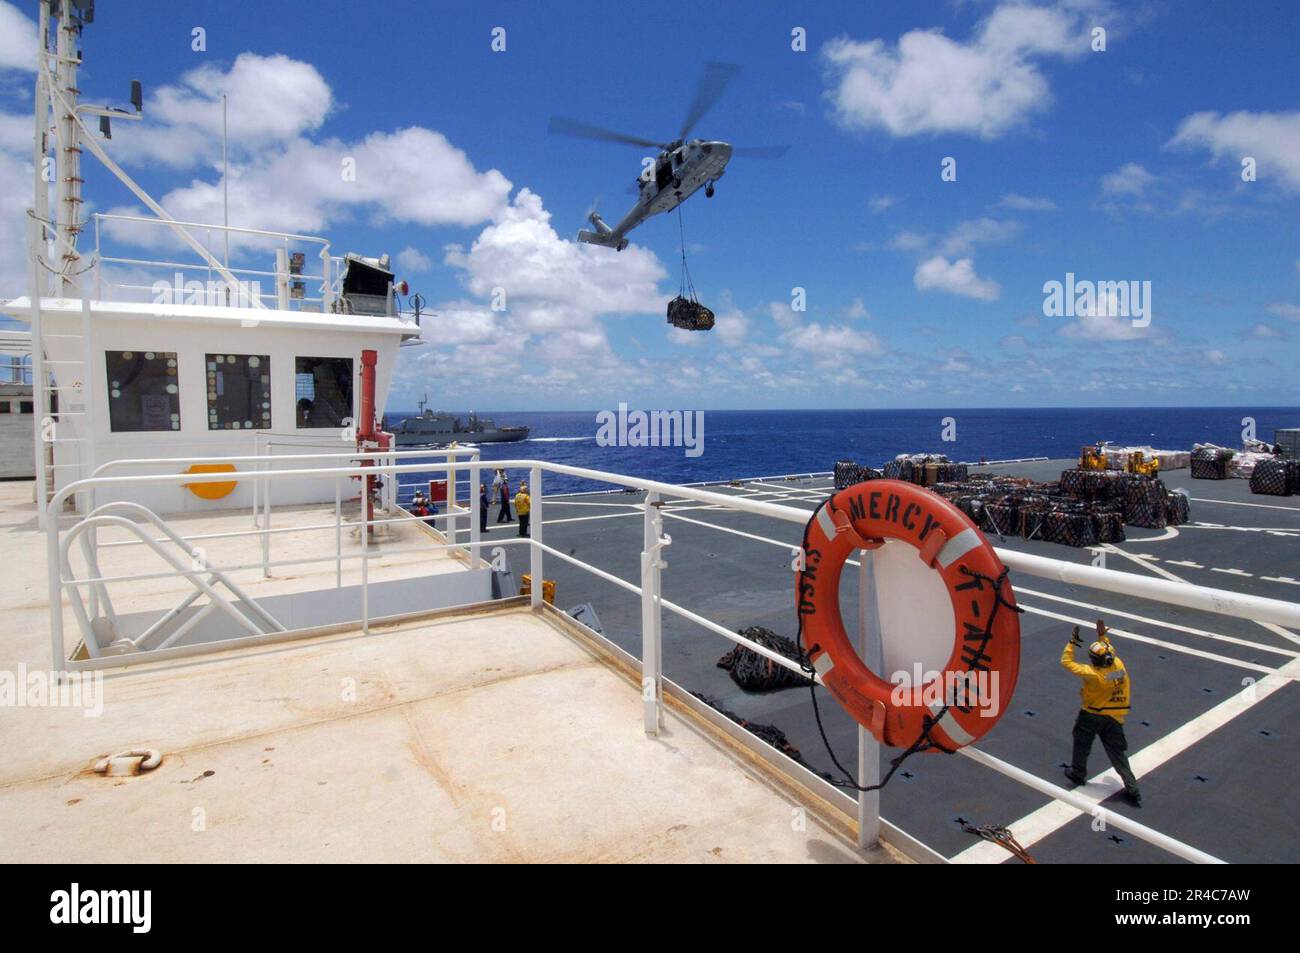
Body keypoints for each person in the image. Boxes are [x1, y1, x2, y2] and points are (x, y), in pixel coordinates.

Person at [1060, 618, 1141, 806]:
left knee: (1082, 743)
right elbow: (1108, 649)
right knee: (1117, 753)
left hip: (1092, 714)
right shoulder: (1119, 666)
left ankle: (1078, 773)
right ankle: (1132, 787)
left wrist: (1072, 643)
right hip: (1115, 716)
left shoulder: (1093, 675)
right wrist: (1102, 635)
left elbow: (1066, 661)